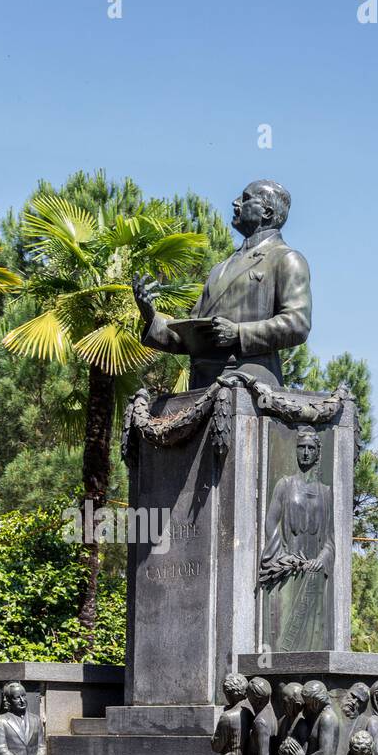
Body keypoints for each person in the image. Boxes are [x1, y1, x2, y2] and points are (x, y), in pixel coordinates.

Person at [131, 179, 311, 390]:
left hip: (248, 387)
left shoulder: (285, 258)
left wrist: (239, 333)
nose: (235, 203)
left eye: (245, 199)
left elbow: (297, 324)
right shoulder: (219, 268)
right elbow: (193, 333)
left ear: (267, 213)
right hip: (200, 387)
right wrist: (151, 317)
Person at [258, 426, 335, 652]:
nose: (305, 453)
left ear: (318, 453)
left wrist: (321, 560)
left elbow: (331, 537)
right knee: (282, 638)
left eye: (311, 448)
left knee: (313, 642)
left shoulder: (326, 492)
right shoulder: (284, 484)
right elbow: (271, 523)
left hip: (314, 573)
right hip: (288, 569)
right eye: (301, 447)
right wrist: (281, 558)